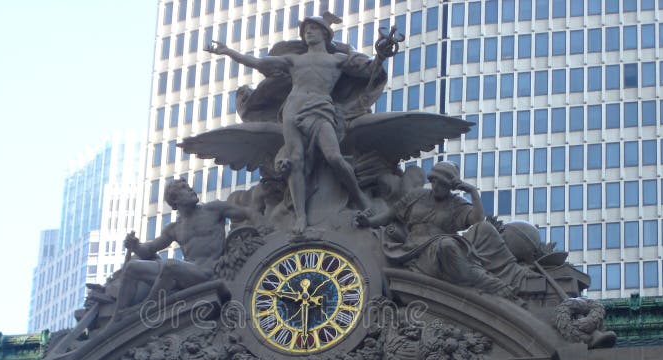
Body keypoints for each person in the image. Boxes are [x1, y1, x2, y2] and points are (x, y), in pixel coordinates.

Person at [207, 14, 385, 233]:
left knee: (334, 156)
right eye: (305, 30)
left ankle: (359, 198)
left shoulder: (337, 59)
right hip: (293, 109)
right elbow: (259, 63)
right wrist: (228, 52)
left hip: (321, 107)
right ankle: (300, 216)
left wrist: (382, 56)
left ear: (324, 33)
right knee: (295, 161)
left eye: (312, 29)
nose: (308, 32)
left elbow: (370, 70)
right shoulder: (294, 60)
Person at [355, 162, 537, 301]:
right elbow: (389, 215)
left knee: (485, 229)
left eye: (442, 184)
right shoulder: (416, 195)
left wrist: (472, 191)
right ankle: (485, 282)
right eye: (434, 182)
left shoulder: (456, 203)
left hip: (442, 245)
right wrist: (369, 221)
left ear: (451, 185)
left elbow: (477, 220)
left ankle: (513, 272)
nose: (437, 187)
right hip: (416, 250)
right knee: (447, 245)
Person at [111, 179, 253, 319]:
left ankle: (146, 310)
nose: (191, 189)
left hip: (209, 273)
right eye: (184, 188)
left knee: (170, 265)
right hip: (185, 276)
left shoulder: (213, 209)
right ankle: (118, 318)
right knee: (132, 267)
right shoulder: (174, 228)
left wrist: (264, 228)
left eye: (189, 186)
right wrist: (135, 245)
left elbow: (248, 213)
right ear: (175, 202)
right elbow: (148, 250)